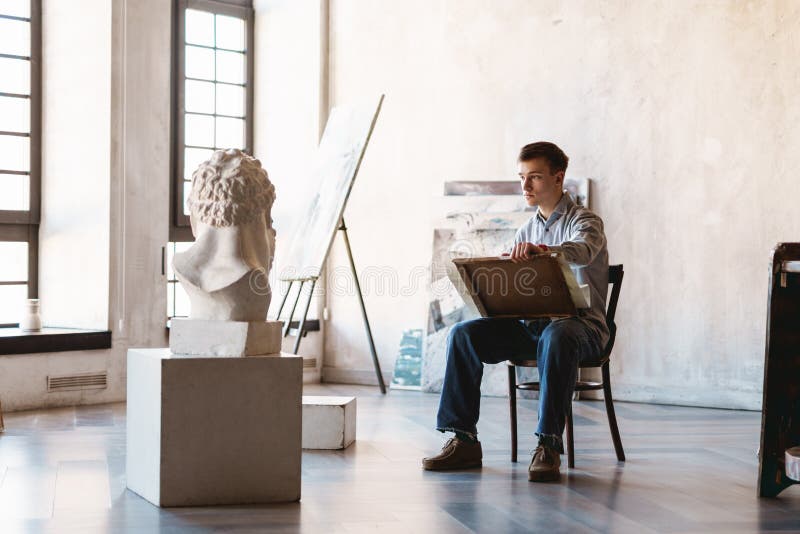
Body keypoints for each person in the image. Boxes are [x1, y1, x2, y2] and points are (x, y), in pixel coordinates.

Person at [422, 141, 610, 482]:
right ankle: (463, 440)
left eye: (535, 177)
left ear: (558, 178)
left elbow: (582, 251)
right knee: (465, 335)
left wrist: (544, 251)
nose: (525, 186)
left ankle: (548, 445)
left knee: (559, 333)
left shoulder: (585, 221)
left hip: (581, 330)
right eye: (522, 177)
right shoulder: (526, 229)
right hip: (534, 329)